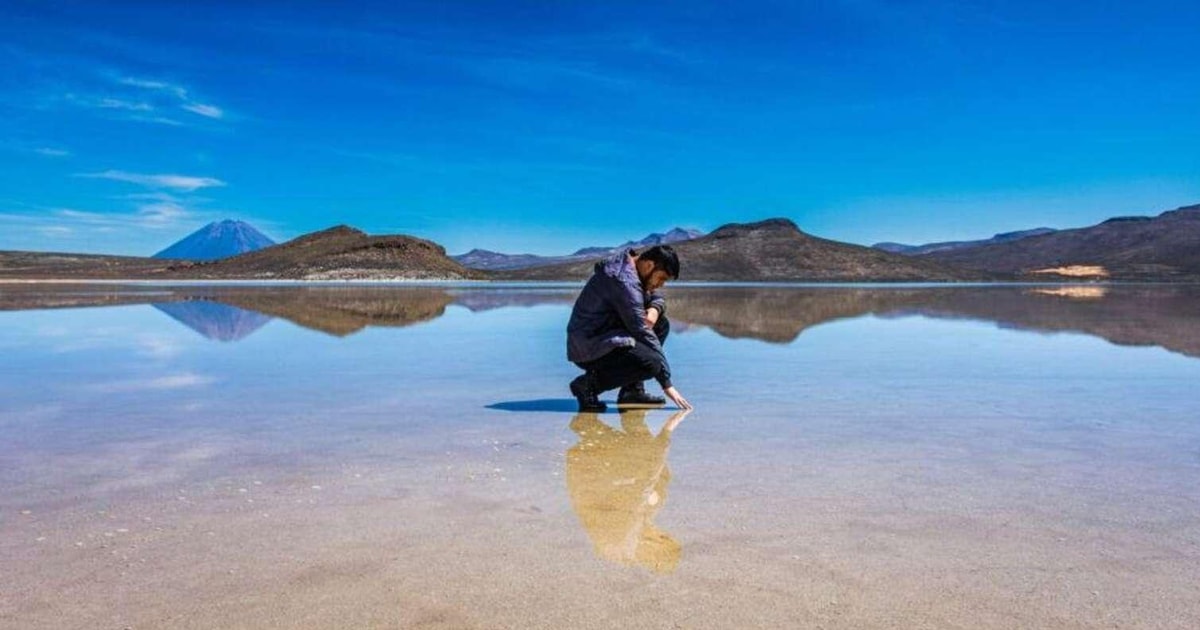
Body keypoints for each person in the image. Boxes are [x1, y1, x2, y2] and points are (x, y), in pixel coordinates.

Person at [566, 244, 692, 412]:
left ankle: (631, 391)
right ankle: (588, 386)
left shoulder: (633, 270)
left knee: (661, 325)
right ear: (649, 265)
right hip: (587, 347)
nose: (661, 285)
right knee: (651, 363)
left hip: (604, 336)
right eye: (661, 278)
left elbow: (654, 296)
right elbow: (642, 332)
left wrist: (655, 309)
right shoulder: (623, 281)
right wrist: (666, 383)